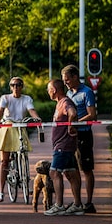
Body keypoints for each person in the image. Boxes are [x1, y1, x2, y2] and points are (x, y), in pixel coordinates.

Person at [0, 76, 41, 202]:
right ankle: (1, 192)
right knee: (4, 161)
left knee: (23, 154)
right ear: (10, 87)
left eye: (19, 84)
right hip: (8, 127)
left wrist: (37, 118)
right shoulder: (5, 98)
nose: (16, 87)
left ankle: (25, 179)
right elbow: (0, 110)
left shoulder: (26, 99)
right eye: (13, 85)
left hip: (20, 127)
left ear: (22, 86)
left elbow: (31, 110)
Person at [45, 78, 84, 216]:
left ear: (54, 90)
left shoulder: (65, 102)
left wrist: (71, 126)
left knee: (54, 173)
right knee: (71, 174)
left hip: (64, 145)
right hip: (64, 145)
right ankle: (78, 205)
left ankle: (59, 205)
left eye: (49, 89)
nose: (48, 92)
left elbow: (72, 112)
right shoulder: (60, 103)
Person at [62, 65, 97, 213]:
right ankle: (77, 202)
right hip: (71, 136)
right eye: (64, 81)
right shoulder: (68, 94)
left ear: (75, 77)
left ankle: (89, 203)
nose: (66, 83)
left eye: (68, 80)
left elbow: (92, 114)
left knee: (86, 169)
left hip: (83, 134)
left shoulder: (87, 92)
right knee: (72, 169)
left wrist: (76, 122)